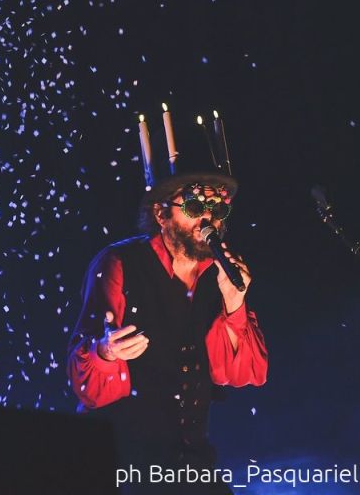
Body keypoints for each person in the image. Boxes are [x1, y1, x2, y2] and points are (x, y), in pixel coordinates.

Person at [67, 171, 268, 492]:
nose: (207, 219)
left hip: (191, 459)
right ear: (161, 214)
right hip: (122, 458)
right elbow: (87, 387)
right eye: (193, 207)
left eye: (217, 210)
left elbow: (242, 374)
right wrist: (105, 352)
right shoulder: (120, 262)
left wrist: (235, 306)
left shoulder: (221, 275)